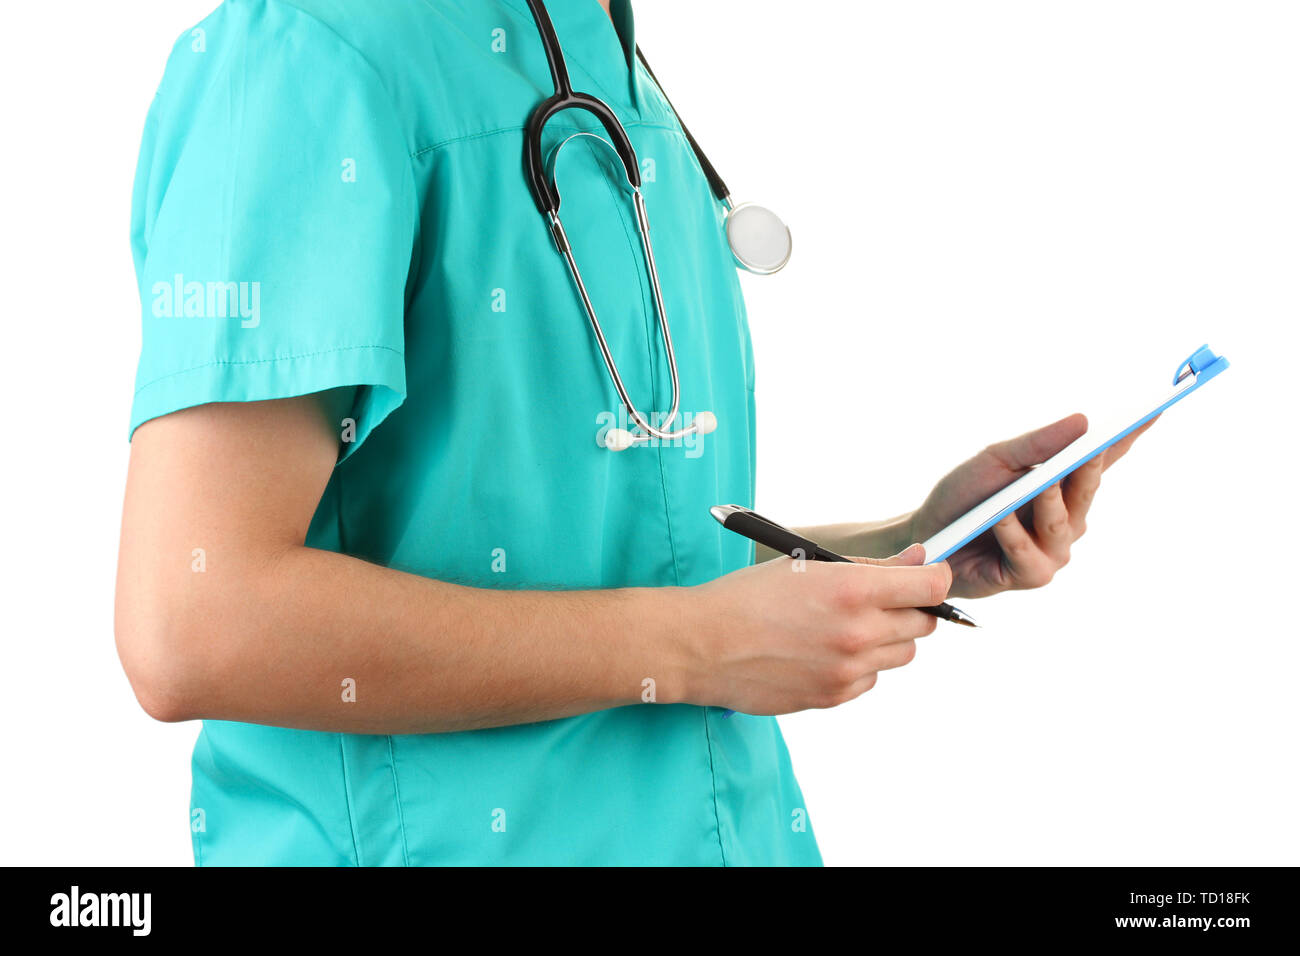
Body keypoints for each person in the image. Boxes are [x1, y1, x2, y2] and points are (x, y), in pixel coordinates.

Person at [115, 0, 1149, 866]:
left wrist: (908, 546)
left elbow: (611, 538)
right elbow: (195, 622)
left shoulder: (601, 61)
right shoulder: (309, 59)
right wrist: (698, 649)